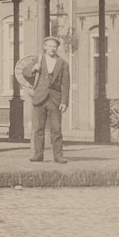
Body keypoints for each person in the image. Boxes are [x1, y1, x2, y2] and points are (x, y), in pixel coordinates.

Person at [30, 36, 71, 164]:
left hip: (55, 100)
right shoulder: (38, 59)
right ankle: (38, 155)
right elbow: (25, 73)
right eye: (50, 46)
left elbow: (66, 84)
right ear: (45, 47)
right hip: (39, 98)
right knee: (38, 129)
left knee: (56, 129)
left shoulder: (63, 63)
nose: (52, 49)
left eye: (54, 46)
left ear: (57, 48)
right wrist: (33, 69)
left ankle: (58, 156)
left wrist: (64, 102)